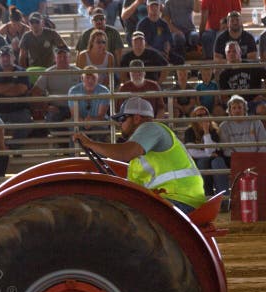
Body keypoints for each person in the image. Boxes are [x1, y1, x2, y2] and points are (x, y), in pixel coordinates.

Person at [73, 96, 205, 214]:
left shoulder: (150, 128)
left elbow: (125, 152)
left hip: (179, 199)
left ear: (136, 118)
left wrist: (90, 144)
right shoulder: (142, 147)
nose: (120, 124)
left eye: (122, 119)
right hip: (176, 199)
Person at [0, 45, 33, 139]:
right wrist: (12, 85)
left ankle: (13, 148)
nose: (5, 59)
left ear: (14, 57)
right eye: (2, 56)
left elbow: (21, 89)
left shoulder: (21, 71)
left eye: (8, 56)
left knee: (26, 123)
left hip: (19, 111)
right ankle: (1, 149)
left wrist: (1, 90)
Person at [30, 43, 81, 123]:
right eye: (59, 56)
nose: (62, 59)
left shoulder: (78, 71)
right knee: (51, 122)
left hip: (76, 107)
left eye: (65, 56)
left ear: (69, 58)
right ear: (55, 58)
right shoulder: (48, 72)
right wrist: (46, 107)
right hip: (56, 108)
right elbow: (35, 91)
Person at [183, 105, 226, 197]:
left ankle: (224, 198)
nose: (202, 117)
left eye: (204, 114)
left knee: (218, 162)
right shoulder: (189, 131)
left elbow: (210, 150)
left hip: (215, 159)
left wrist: (206, 131)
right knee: (203, 163)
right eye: (199, 115)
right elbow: (192, 152)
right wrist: (208, 155)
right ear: (194, 118)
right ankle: (208, 196)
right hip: (200, 160)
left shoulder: (214, 130)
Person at [219, 95, 266, 172]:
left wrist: (257, 157)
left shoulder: (256, 122)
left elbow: (263, 142)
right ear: (229, 110)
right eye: (234, 108)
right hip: (235, 159)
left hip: (256, 158)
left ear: (245, 109)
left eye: (240, 107)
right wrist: (239, 158)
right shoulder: (224, 126)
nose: (237, 111)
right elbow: (226, 149)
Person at [217, 41, 266, 114]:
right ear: (226, 55)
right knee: (218, 111)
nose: (231, 54)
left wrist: (263, 95)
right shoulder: (223, 74)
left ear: (240, 53)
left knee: (263, 109)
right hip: (234, 105)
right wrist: (234, 105)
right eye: (228, 52)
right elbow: (224, 97)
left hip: (254, 103)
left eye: (234, 51)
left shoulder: (252, 66)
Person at [68, 67, 110, 140]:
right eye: (87, 77)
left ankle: (98, 151)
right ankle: (73, 151)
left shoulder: (104, 91)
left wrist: (92, 121)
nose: (90, 81)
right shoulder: (74, 91)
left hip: (98, 122)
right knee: (74, 128)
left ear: (98, 79)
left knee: (100, 130)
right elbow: (74, 115)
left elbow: (101, 116)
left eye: (93, 78)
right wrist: (84, 122)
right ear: (82, 78)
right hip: (80, 122)